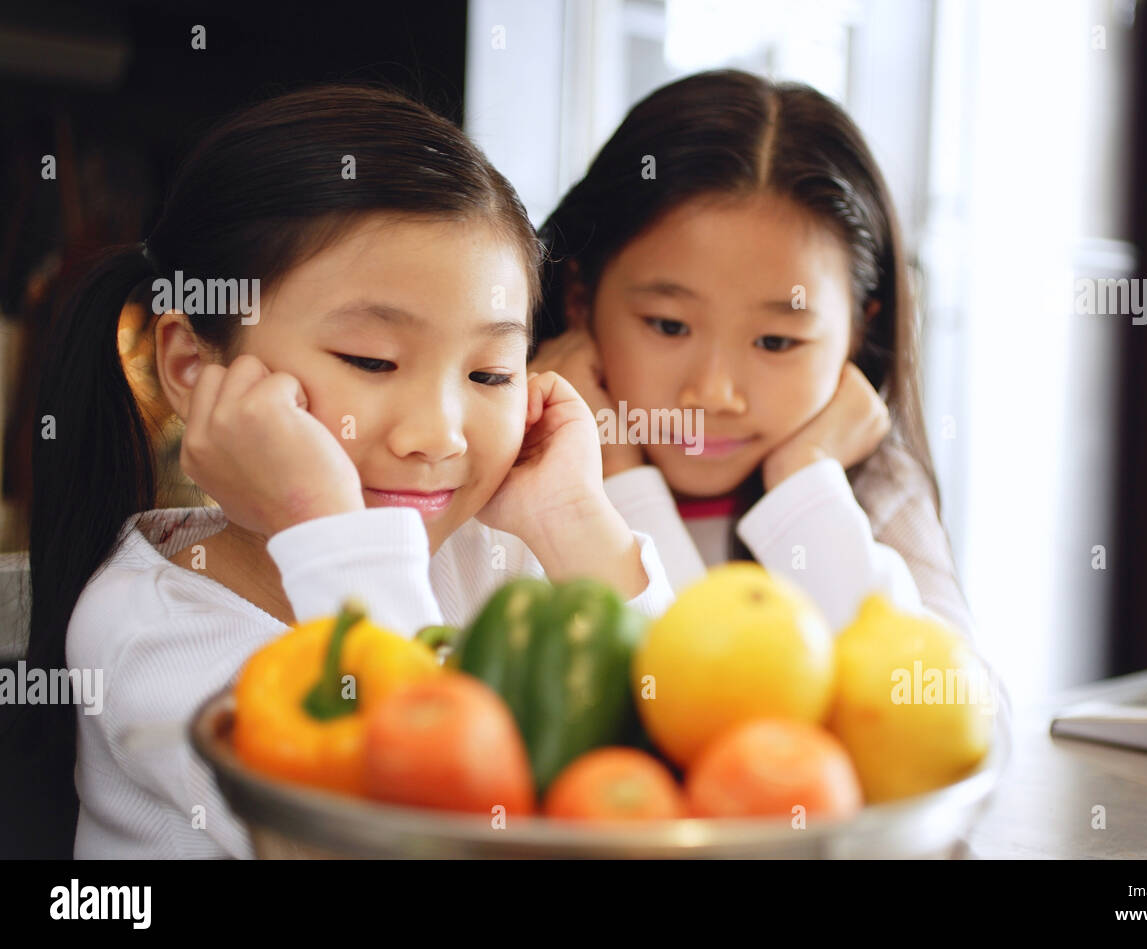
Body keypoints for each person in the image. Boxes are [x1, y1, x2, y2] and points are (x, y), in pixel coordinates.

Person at [23, 84, 675, 859]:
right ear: (193, 367)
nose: (437, 433)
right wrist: (325, 523)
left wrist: (575, 525)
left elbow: (686, 763)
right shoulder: (153, 630)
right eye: (370, 359)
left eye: (491, 373)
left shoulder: (486, 551)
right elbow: (414, 838)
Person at [532, 69, 973, 637]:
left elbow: (964, 722)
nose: (714, 393)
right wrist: (606, 479)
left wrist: (806, 485)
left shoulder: (871, 486)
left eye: (776, 341)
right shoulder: (517, 486)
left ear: (858, 333)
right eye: (668, 325)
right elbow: (681, 703)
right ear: (579, 301)